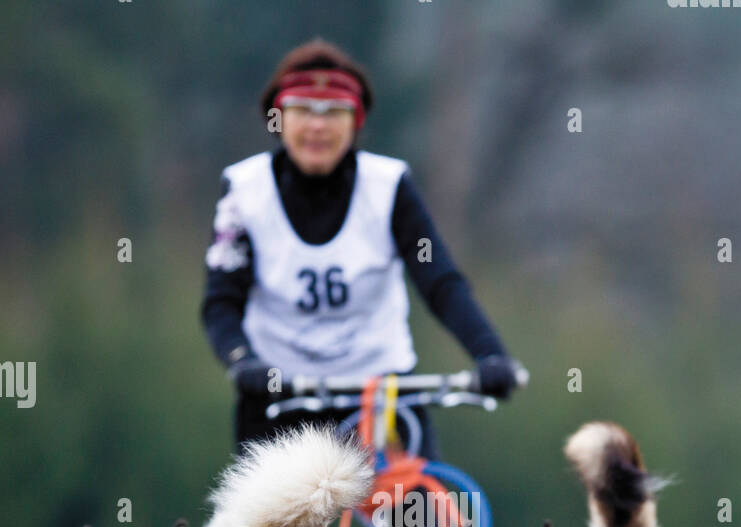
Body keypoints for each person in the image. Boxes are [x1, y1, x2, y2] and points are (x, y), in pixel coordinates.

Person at [200, 38, 523, 456]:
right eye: (301, 111)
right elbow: (221, 301)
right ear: (277, 120)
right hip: (277, 397)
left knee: (420, 513)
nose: (318, 126)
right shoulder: (244, 192)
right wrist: (242, 361)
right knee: (268, 523)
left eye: (334, 111)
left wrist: (489, 354)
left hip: (380, 395)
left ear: (356, 122)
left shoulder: (389, 188)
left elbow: (440, 282)